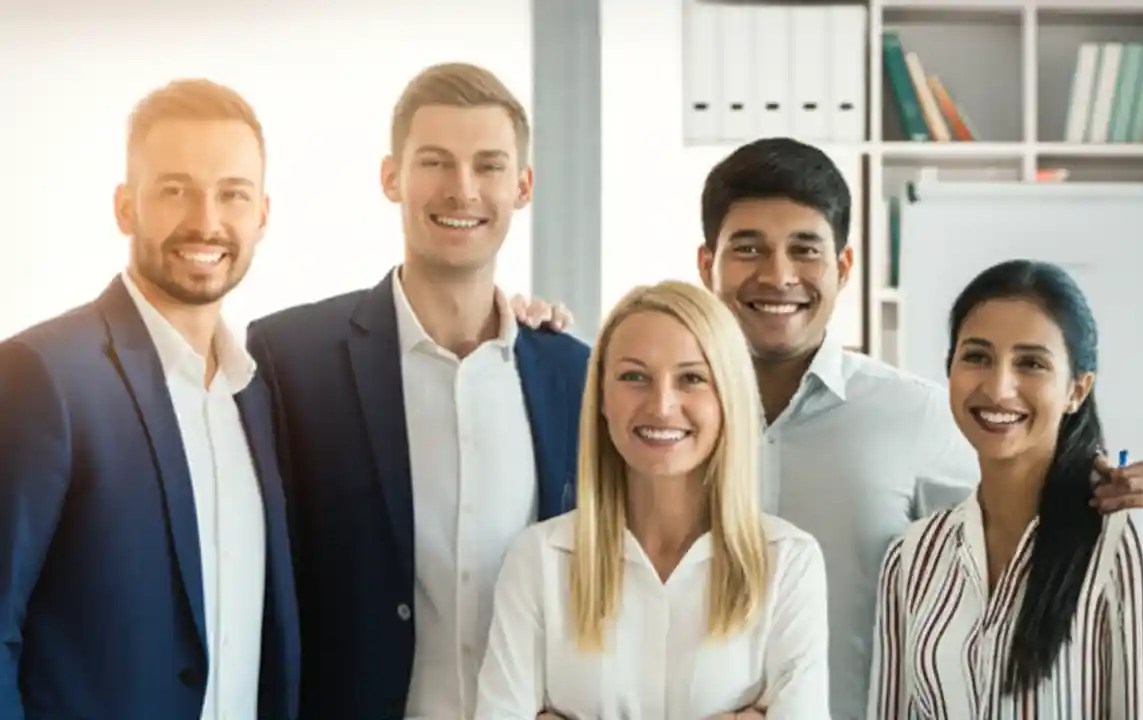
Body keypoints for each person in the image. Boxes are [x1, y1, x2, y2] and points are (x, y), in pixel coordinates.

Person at [693, 137, 1143, 719]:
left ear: (843, 267)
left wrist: (1119, 495)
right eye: (749, 248)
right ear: (707, 264)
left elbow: (1021, 496)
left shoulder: (920, 418)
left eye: (805, 249)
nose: (779, 275)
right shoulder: (661, 424)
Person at [245, 62, 588, 720]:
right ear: (391, 177)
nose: (462, 190)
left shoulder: (575, 375)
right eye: (435, 162)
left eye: (489, 166)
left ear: (522, 187)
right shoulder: (291, 360)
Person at [0, 79, 299, 719]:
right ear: (124, 207)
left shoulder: (259, 394)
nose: (207, 221)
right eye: (175, 189)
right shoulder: (43, 374)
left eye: (232, 194)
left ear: (264, 214)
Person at [475, 280, 830, 719]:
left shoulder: (789, 563)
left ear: (728, 397)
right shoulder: (539, 561)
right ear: (602, 398)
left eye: (692, 379)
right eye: (634, 377)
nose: (662, 406)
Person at [867, 259, 1143, 718]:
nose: (999, 388)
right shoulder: (913, 557)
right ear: (950, 370)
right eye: (977, 357)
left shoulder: (1127, 543)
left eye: (1031, 364)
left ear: (1077, 390)